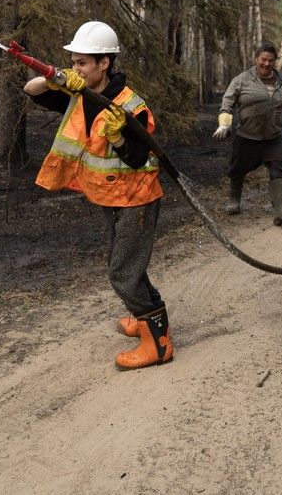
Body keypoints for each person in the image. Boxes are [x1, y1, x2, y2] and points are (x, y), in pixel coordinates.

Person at [24, 21, 173, 370]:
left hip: (136, 199)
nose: (76, 69)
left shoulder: (131, 105)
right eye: (73, 62)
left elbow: (138, 159)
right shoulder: (78, 94)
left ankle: (159, 344)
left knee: (122, 272)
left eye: (82, 63)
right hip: (109, 198)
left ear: (104, 63)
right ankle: (146, 318)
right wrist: (55, 77)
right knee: (127, 263)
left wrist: (120, 136)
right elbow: (30, 90)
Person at [213, 42, 282, 226]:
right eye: (263, 60)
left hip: (274, 138)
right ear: (256, 59)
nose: (266, 64)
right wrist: (224, 125)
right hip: (247, 136)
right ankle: (234, 200)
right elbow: (227, 104)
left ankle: (281, 209)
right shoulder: (242, 79)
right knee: (237, 169)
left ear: (275, 61)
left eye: (271, 61)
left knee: (280, 169)